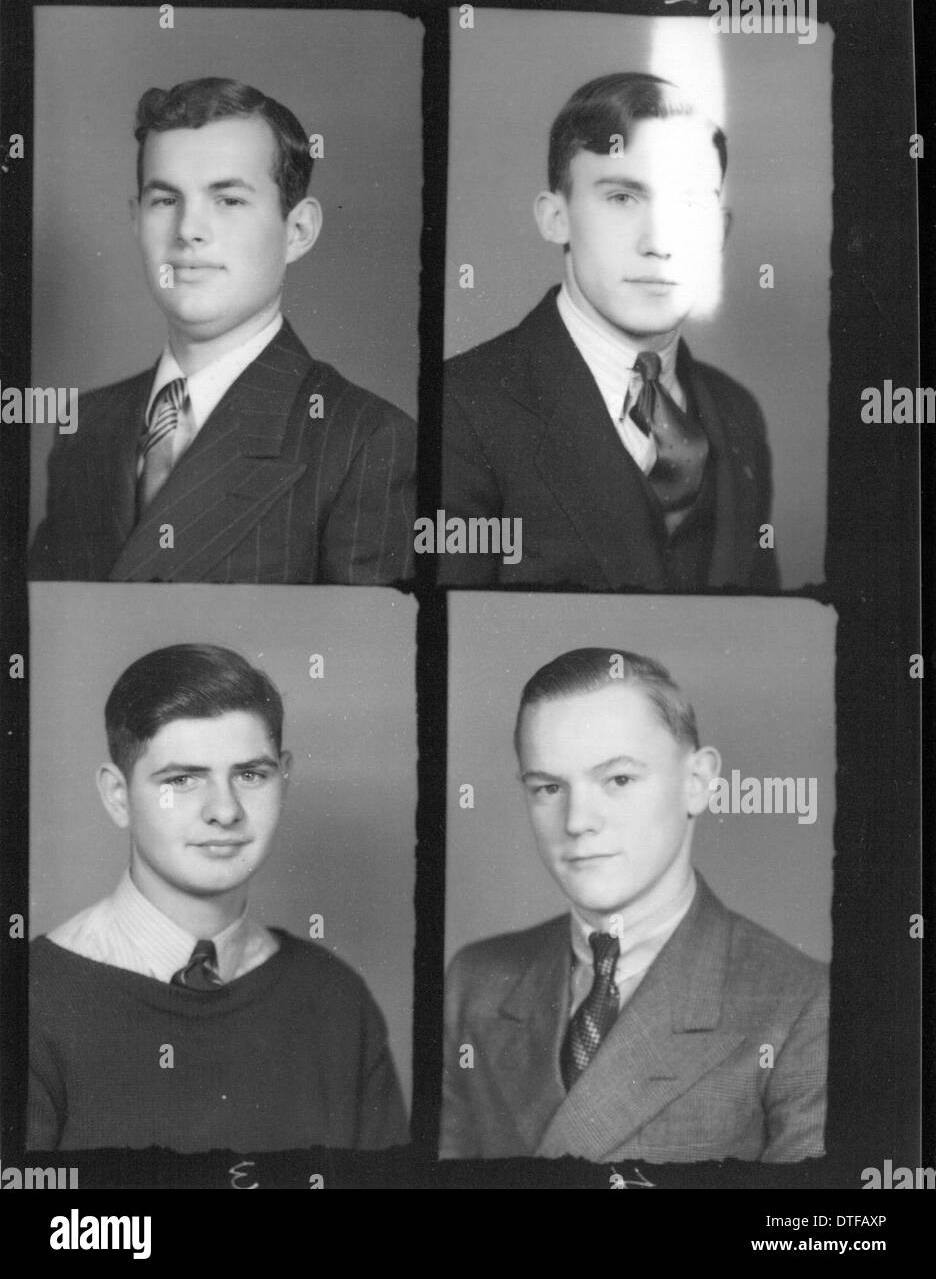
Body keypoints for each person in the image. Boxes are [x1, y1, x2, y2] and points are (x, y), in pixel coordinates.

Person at [441, 647, 827, 1162]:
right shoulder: (476, 980)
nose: (578, 820)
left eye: (618, 780)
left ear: (698, 783)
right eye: (549, 787)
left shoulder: (802, 1003)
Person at [29, 77, 416, 585]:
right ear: (135, 220)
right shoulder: (85, 426)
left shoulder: (364, 439)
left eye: (228, 200)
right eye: (165, 200)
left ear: (298, 231)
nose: (189, 230)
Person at [28, 643, 408, 1152]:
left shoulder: (336, 998)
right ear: (118, 797)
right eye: (182, 780)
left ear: (284, 779)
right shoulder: (31, 1001)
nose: (225, 811)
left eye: (250, 775)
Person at [441, 73, 778, 591]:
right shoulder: (459, 408)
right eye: (623, 197)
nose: (659, 243)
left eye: (690, 204)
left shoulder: (737, 413)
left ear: (721, 233)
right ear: (556, 218)